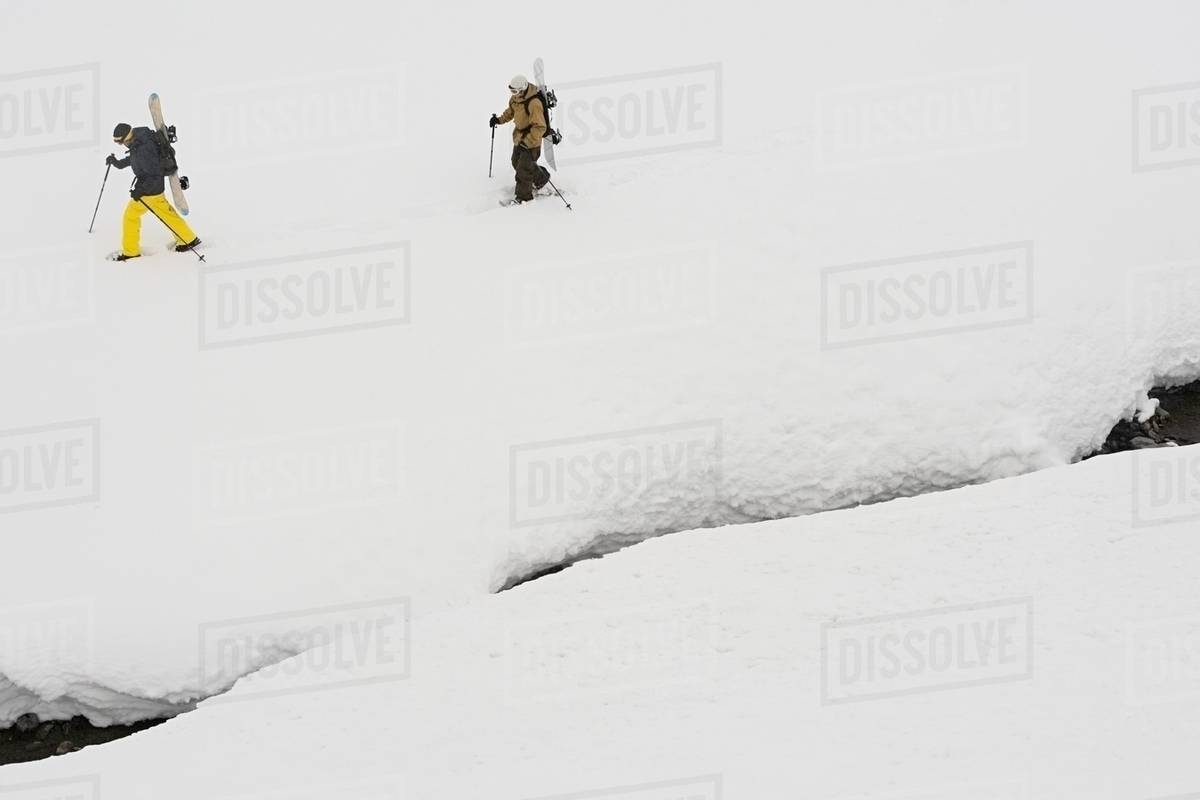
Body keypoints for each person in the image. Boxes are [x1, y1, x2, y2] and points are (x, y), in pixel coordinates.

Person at [106, 122, 200, 261]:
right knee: (167, 215)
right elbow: (135, 159)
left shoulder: (143, 148)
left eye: (120, 143)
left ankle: (131, 251)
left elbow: (154, 174)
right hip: (154, 190)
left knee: (130, 216)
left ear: (127, 137)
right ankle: (188, 238)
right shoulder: (140, 139)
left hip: (149, 191)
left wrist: (139, 191)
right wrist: (117, 163)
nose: (121, 145)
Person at [490, 75, 551, 204]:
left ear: (522, 89)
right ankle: (541, 179)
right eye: (511, 91)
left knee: (523, 169)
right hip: (519, 138)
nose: (513, 94)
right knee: (516, 162)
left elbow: (540, 127)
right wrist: (499, 120)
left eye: (515, 91)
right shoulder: (516, 98)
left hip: (532, 142)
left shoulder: (534, 103)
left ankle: (524, 198)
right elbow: (511, 111)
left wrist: (527, 142)